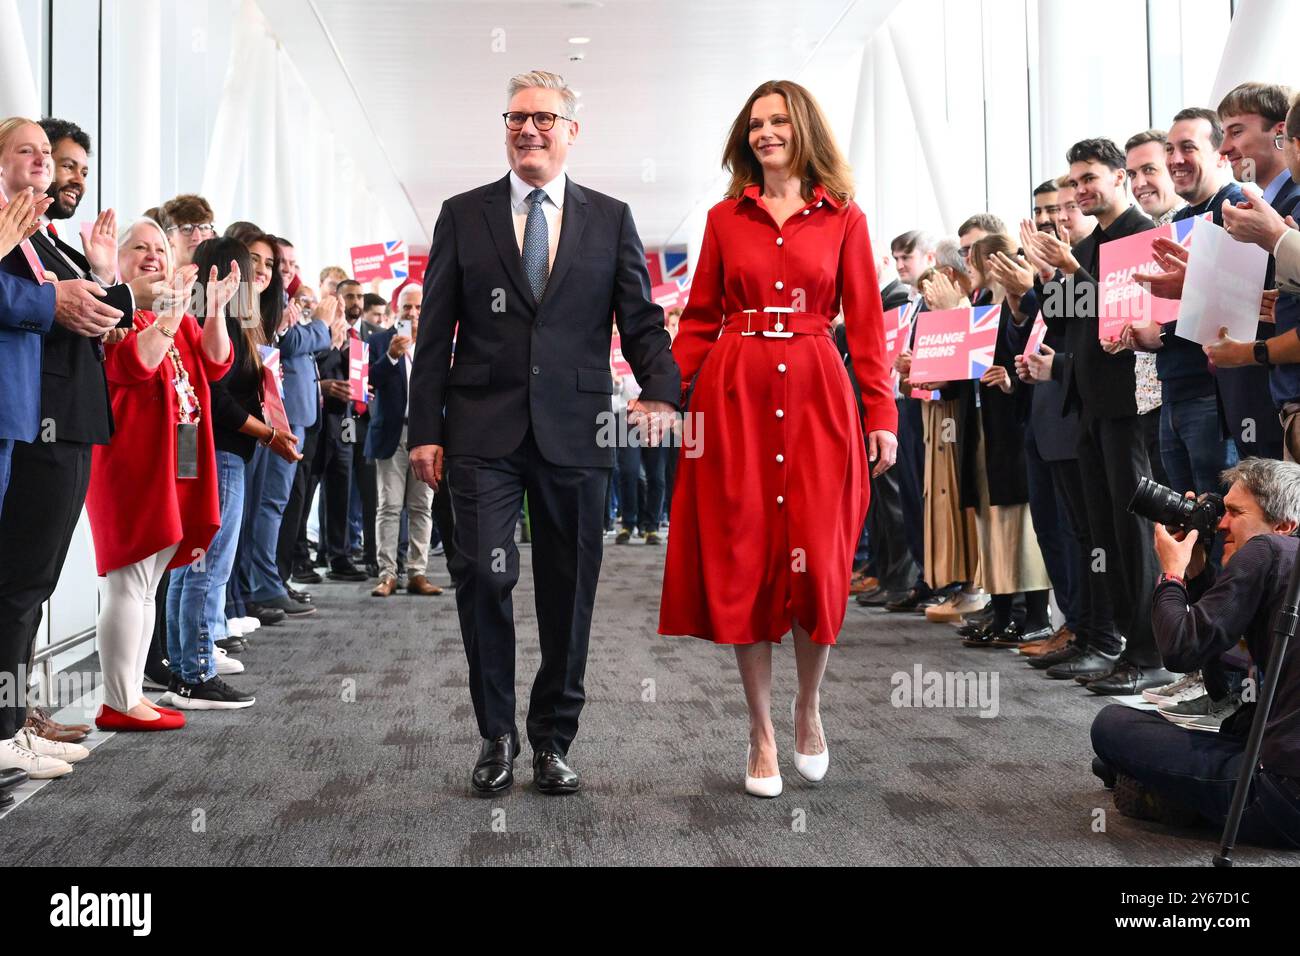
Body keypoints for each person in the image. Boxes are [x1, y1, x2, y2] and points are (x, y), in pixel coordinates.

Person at [408, 70, 679, 796]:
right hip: (481, 434)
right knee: (486, 576)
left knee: (569, 592)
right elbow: (435, 332)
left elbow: (641, 320)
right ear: (505, 126)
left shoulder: (610, 217)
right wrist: (423, 430)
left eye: (545, 118)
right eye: (517, 117)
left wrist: (661, 389)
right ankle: (495, 734)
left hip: (578, 431)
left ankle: (552, 740)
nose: (530, 129)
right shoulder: (464, 214)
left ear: (571, 131)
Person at [659, 79, 896, 797]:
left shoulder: (846, 219)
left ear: (805, 132)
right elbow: (699, 317)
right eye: (756, 122)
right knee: (746, 557)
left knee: (821, 562)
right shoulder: (724, 219)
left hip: (821, 391)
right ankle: (760, 728)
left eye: (779, 122)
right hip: (735, 396)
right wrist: (667, 395)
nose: (766, 133)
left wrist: (881, 413)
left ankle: (808, 705)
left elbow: (867, 325)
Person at [0, 117, 131, 765]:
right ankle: (6, 728)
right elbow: (42, 306)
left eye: (53, 158)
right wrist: (60, 299)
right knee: (20, 581)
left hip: (63, 416)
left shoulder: (44, 239)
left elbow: (96, 315)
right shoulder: (13, 234)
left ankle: (14, 719)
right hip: (33, 418)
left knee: (32, 580)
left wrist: (104, 277)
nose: (51, 168)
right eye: (32, 154)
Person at [1091, 457, 1300, 846]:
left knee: (1111, 726)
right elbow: (1223, 676)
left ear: (1284, 525)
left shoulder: (1267, 550)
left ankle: (1175, 795)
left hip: (1281, 798)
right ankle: (1171, 785)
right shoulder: (1286, 561)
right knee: (1234, 723)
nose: (1220, 524)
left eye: (1235, 512)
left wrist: (1171, 574)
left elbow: (1181, 651)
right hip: (1284, 771)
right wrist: (1198, 573)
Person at [86, 219, 238, 730]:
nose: (152, 256)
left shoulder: (178, 315)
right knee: (129, 582)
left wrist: (213, 310)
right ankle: (118, 700)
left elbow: (216, 364)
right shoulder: (110, 308)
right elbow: (131, 365)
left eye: (159, 249)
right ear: (118, 257)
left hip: (178, 462)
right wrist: (172, 315)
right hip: (130, 464)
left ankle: (131, 695)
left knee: (148, 584)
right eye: (139, 248)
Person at [162, 237, 296, 710]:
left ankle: (187, 667)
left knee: (193, 563)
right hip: (214, 451)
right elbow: (215, 397)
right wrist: (266, 433)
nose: (259, 276)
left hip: (204, 451)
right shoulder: (211, 319)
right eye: (250, 267)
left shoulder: (224, 319)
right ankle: (194, 672)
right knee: (206, 564)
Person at [366, 283, 442, 597]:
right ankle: (387, 574)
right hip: (391, 435)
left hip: (426, 435)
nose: (412, 313)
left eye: (418, 307)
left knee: (422, 506)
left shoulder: (435, 342)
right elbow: (368, 379)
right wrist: (392, 357)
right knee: (389, 506)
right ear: (397, 309)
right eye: (407, 307)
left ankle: (417, 573)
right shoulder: (380, 341)